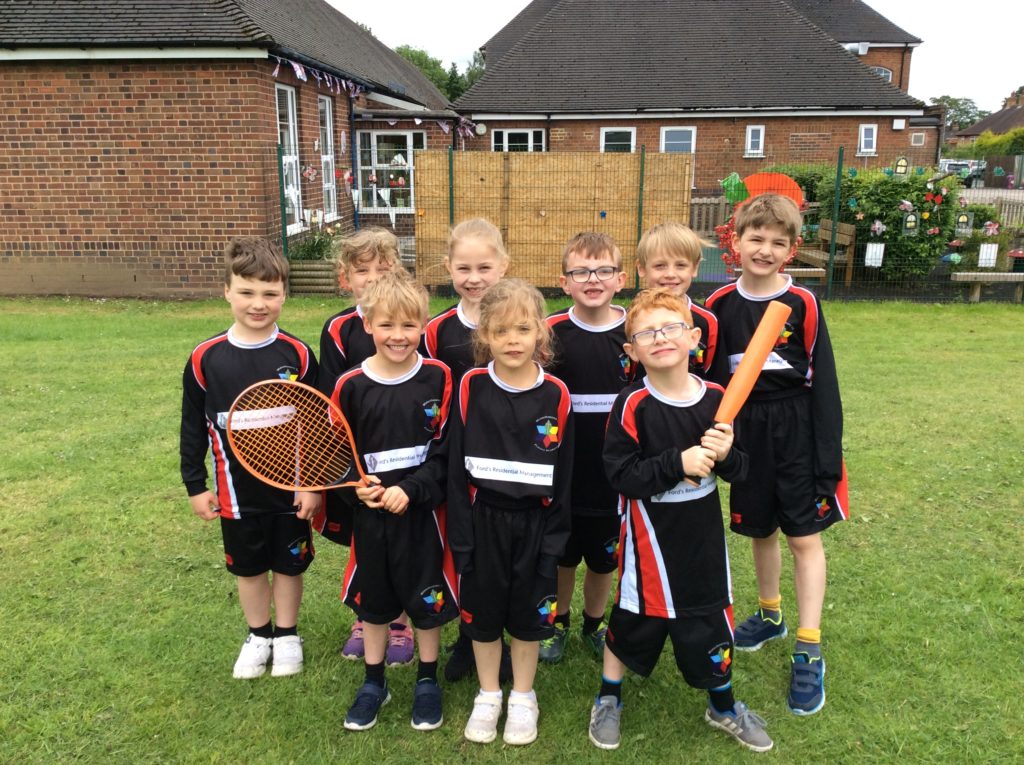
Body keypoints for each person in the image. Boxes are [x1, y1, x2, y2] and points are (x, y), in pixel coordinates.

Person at [588, 288, 772, 753]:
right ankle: (609, 697)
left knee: (711, 618)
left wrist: (726, 456)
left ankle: (724, 706)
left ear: (693, 338)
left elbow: (742, 468)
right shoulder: (632, 405)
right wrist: (678, 463)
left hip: (701, 537)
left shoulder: (717, 398)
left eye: (671, 328)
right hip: (648, 538)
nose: (660, 338)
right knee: (632, 618)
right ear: (631, 351)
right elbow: (620, 474)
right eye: (646, 333)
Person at [705, 193, 847, 716]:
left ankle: (808, 646)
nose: (764, 250)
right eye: (755, 239)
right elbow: (712, 381)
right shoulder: (719, 305)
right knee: (758, 529)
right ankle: (770, 614)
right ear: (735, 241)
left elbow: (823, 383)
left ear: (791, 250)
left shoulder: (803, 304)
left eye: (777, 243)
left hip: (796, 429)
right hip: (746, 432)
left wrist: (826, 459)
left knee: (803, 537)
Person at [180, 237, 321, 680]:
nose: (258, 304)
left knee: (289, 564)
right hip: (235, 494)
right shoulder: (206, 359)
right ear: (226, 291)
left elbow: (316, 424)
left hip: (291, 490)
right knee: (249, 567)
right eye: (246, 292)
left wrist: (312, 483)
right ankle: (259, 635)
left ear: (284, 295)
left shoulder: (296, 354)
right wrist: (196, 485)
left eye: (270, 293)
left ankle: (287, 634)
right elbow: (192, 427)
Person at [448, 279, 574, 747]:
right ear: (485, 337)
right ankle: (488, 694)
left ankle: (522, 695)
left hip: (536, 524)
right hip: (484, 523)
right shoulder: (470, 386)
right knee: (482, 616)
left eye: (524, 329)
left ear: (541, 332)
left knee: (528, 615)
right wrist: (461, 539)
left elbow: (565, 474)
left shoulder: (556, 394)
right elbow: (456, 472)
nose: (513, 340)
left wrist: (555, 540)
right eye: (501, 331)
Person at [331, 272, 458, 732]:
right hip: (372, 519)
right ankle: (374, 681)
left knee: (428, 598)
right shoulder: (349, 386)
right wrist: (354, 488)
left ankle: (427, 680)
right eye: (386, 325)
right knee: (375, 602)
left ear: (423, 325)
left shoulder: (439, 378)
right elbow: (336, 455)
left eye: (408, 325)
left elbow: (446, 451)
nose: (398, 336)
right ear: (367, 324)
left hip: (424, 517)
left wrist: (413, 490)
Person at [315, 227, 416, 667]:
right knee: (368, 540)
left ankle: (404, 624)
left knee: (410, 541)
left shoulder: (410, 325)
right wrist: (343, 471)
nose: (374, 278)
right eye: (363, 271)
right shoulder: (338, 328)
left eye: (384, 268)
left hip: (406, 453)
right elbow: (329, 405)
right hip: (359, 462)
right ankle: (366, 616)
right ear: (346, 278)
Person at [421, 217, 512, 683]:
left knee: (507, 548)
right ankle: (467, 635)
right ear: (448, 268)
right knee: (465, 546)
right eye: (463, 268)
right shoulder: (436, 331)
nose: (473, 278)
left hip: (509, 457)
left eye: (484, 267)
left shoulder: (518, 324)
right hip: (456, 459)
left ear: (503, 266)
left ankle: (511, 636)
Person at [541, 232, 631, 663]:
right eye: (581, 272)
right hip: (563, 472)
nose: (592, 279)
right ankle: (556, 624)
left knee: (603, 559)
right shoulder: (550, 333)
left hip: (615, 472)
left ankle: (594, 624)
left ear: (621, 278)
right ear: (564, 282)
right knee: (561, 557)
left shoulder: (636, 330)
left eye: (603, 271)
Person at [636, 221, 727, 383]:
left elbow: (716, 377)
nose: (670, 274)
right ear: (642, 268)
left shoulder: (707, 321)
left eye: (680, 265)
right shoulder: (633, 318)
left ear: (694, 267)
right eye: (660, 266)